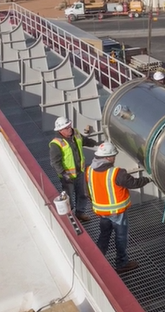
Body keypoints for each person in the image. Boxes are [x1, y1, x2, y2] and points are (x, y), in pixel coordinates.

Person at [87, 142, 151, 274]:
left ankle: (97, 261)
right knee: (121, 237)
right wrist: (148, 179)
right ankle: (122, 263)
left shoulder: (89, 170)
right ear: (108, 157)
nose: (115, 158)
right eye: (113, 155)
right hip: (117, 213)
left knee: (104, 235)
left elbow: (88, 190)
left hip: (101, 212)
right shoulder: (116, 173)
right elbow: (134, 183)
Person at [49, 117, 98, 222]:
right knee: (69, 196)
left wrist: (96, 143)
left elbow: (84, 141)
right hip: (67, 176)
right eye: (66, 128)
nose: (69, 129)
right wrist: (63, 174)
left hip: (79, 171)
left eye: (69, 126)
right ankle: (70, 216)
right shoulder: (56, 143)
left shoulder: (75, 133)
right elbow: (55, 162)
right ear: (60, 130)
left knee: (83, 194)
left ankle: (80, 213)